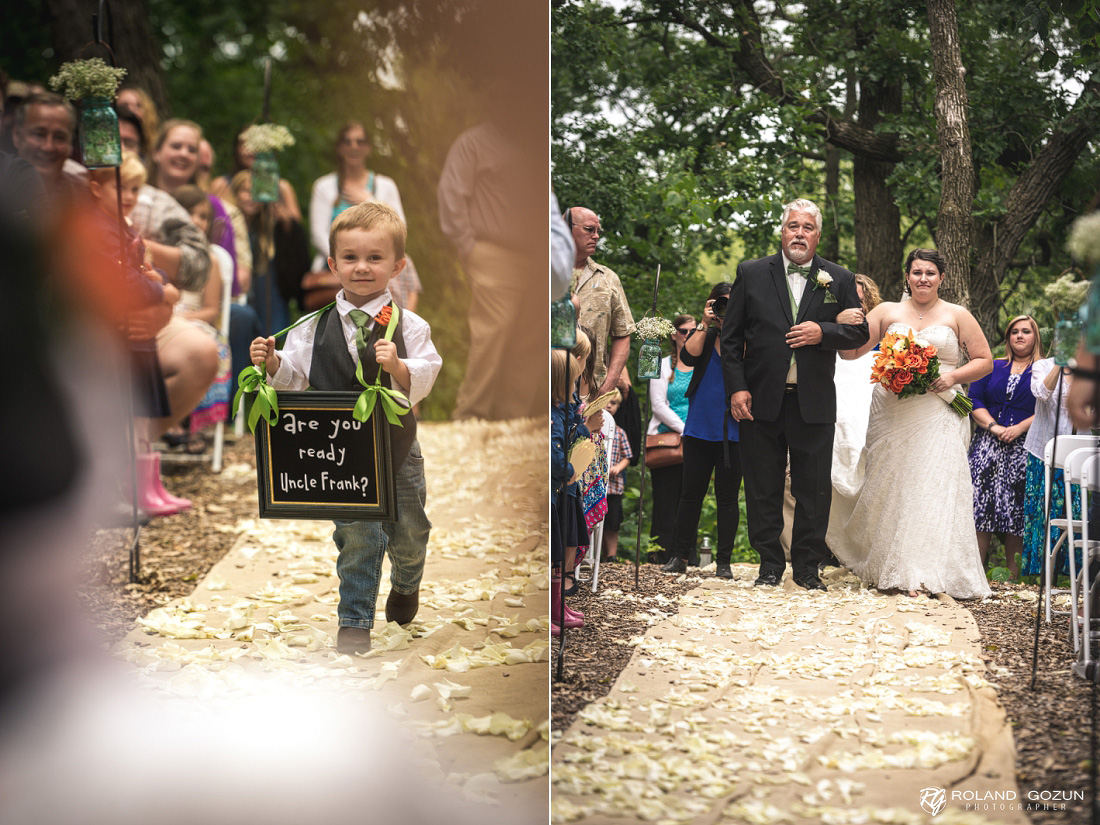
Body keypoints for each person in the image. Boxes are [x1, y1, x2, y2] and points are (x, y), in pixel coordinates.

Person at [248, 203, 441, 655]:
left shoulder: (409, 325)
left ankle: (407, 582)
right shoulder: (310, 327)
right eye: (350, 258)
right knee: (356, 534)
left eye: (375, 258)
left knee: (410, 531)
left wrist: (399, 365)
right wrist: (273, 361)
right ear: (333, 264)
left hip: (397, 446)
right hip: (342, 453)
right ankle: (354, 620)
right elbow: (296, 376)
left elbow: (428, 372)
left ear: (398, 265)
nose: (362, 267)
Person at [722, 198, 868, 591]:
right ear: (782, 231)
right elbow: (731, 339)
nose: (799, 233)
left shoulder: (838, 277)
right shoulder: (751, 274)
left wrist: (824, 332)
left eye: (807, 227)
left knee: (814, 488)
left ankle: (807, 569)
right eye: (792, 226)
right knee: (762, 487)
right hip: (760, 399)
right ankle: (769, 565)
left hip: (814, 400)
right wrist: (737, 387)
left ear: (817, 235)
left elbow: (859, 332)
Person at [839, 248, 993, 598]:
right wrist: (844, 324)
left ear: (941, 278)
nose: (923, 278)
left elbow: (984, 361)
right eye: (917, 272)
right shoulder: (886, 311)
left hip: (939, 411)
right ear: (906, 276)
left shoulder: (957, 314)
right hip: (891, 411)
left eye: (930, 273)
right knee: (895, 485)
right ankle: (893, 568)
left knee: (933, 486)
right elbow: (851, 353)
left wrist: (953, 378)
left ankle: (929, 573)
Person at [661, 283, 742, 577]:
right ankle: (680, 556)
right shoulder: (705, 336)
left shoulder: (745, 336)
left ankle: (723, 562)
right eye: (722, 304)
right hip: (698, 427)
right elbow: (688, 358)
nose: (726, 310)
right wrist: (706, 322)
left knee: (728, 498)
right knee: (690, 495)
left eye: (733, 304)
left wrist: (738, 324)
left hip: (733, 430)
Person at [308, 121, 421, 310]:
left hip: (378, 258)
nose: (354, 146)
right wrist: (346, 257)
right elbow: (317, 234)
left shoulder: (385, 186)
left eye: (360, 142)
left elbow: (399, 230)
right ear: (339, 147)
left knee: (402, 262)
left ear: (368, 148)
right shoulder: (324, 187)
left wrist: (370, 200)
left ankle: (396, 324)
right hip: (337, 261)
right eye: (348, 141)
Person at [967, 315, 1040, 579]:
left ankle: (1012, 578)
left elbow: (1049, 407)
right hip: (986, 444)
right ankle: (974, 574)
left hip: (1024, 445)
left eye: (1026, 332)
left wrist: (1019, 428)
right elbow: (971, 399)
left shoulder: (1044, 370)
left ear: (1035, 337)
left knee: (1016, 508)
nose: (1019, 336)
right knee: (979, 504)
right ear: (1008, 338)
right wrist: (993, 426)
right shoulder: (992, 366)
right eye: (1014, 332)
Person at [823, 274, 881, 565]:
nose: (856, 305)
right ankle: (826, 546)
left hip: (866, 405)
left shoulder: (881, 339)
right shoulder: (829, 338)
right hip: (835, 405)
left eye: (861, 300)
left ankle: (862, 546)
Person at [568, 206, 637, 398]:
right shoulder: (544, 272)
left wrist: (610, 380)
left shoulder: (608, 278)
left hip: (591, 389)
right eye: (589, 230)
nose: (596, 236)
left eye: (598, 231)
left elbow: (622, 333)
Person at [1021, 356, 1079, 579]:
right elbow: (1041, 393)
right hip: (1043, 451)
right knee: (1042, 514)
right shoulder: (1042, 365)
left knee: (1072, 512)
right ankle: (1039, 578)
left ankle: (1070, 577)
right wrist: (1060, 364)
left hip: (1075, 456)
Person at [645, 314, 695, 562]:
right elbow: (658, 405)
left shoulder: (703, 364)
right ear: (674, 334)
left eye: (694, 331)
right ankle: (660, 553)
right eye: (685, 331)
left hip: (698, 441)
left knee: (691, 497)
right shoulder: (663, 365)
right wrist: (685, 429)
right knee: (665, 498)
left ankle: (686, 554)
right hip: (668, 440)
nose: (689, 336)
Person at [11, 93, 84, 211]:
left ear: (70, 143)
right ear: (17, 136)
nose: (48, 147)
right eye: (39, 134)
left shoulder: (88, 197)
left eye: (59, 137)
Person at [601, 391, 632, 562]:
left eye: (613, 403)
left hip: (613, 487)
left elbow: (628, 456)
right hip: (596, 486)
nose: (609, 406)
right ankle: (593, 555)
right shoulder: (593, 430)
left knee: (612, 523)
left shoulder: (620, 432)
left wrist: (618, 467)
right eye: (606, 402)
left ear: (618, 407)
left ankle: (611, 555)